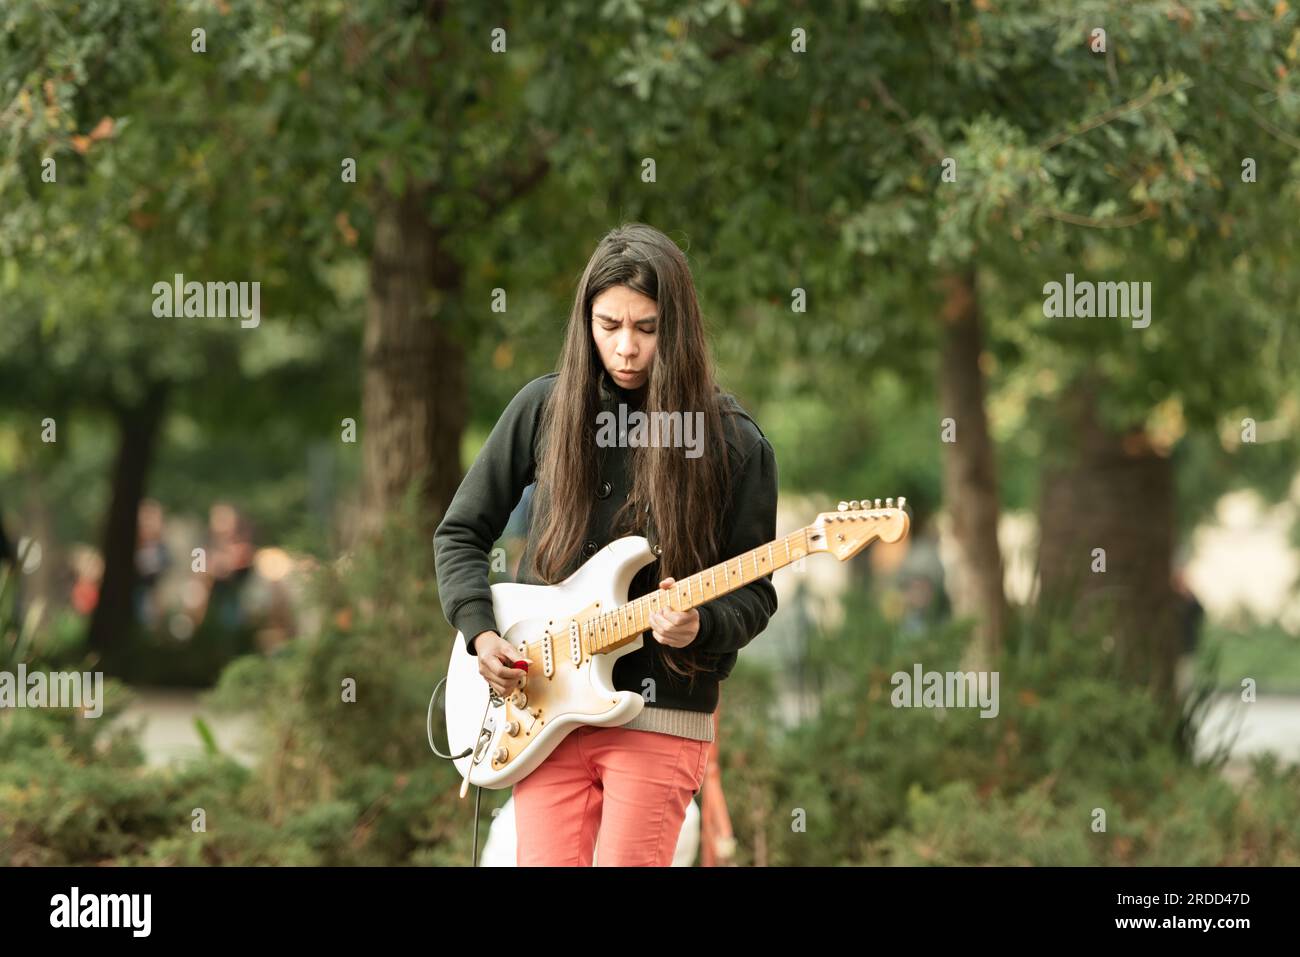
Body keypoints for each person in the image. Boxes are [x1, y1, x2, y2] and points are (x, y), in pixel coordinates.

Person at [434, 223, 778, 867]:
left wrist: (699, 624)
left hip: (662, 716)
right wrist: (480, 633)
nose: (625, 348)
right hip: (546, 716)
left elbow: (755, 595)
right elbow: (459, 532)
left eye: (647, 329)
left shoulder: (733, 442)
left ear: (677, 327)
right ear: (585, 320)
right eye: (608, 324)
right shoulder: (545, 408)